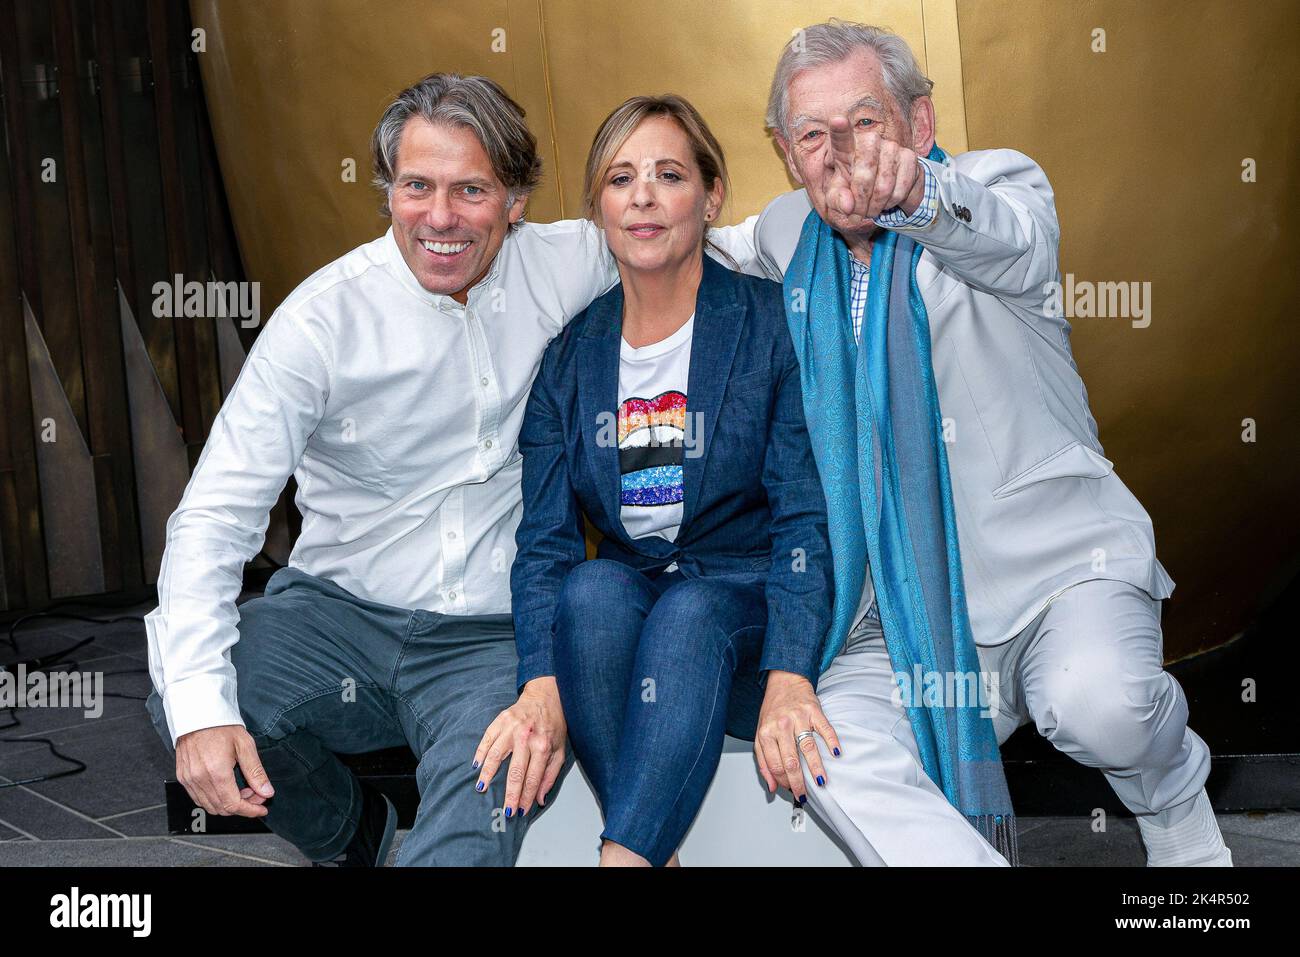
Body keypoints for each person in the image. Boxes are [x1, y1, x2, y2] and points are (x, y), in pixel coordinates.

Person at [142, 74, 773, 866]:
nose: (439, 217)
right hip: (336, 615)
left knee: (485, 802)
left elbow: (706, 240)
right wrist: (202, 710)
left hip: (487, 637)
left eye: (471, 189)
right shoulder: (321, 321)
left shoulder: (568, 261)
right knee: (190, 690)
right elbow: (216, 514)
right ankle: (351, 830)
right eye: (417, 187)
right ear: (388, 193)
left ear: (515, 201)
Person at [741, 19, 1231, 867]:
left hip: (1056, 572)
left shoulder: (991, 186)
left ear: (919, 124)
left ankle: (1175, 793)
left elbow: (1014, 241)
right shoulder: (788, 236)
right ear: (787, 153)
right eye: (813, 135)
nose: (843, 153)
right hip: (898, 616)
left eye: (866, 121)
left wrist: (918, 198)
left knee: (1099, 704)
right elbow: (673, 252)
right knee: (821, 748)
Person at [494, 95, 835, 867]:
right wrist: (538, 680)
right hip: (634, 619)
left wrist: (791, 671)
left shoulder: (769, 324)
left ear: (710, 197)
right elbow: (545, 544)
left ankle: (622, 858)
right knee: (589, 591)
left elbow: (804, 519)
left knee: (688, 611)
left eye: (668, 174)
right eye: (620, 178)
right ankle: (654, 854)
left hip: (744, 608)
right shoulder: (569, 358)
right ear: (599, 209)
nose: (642, 195)